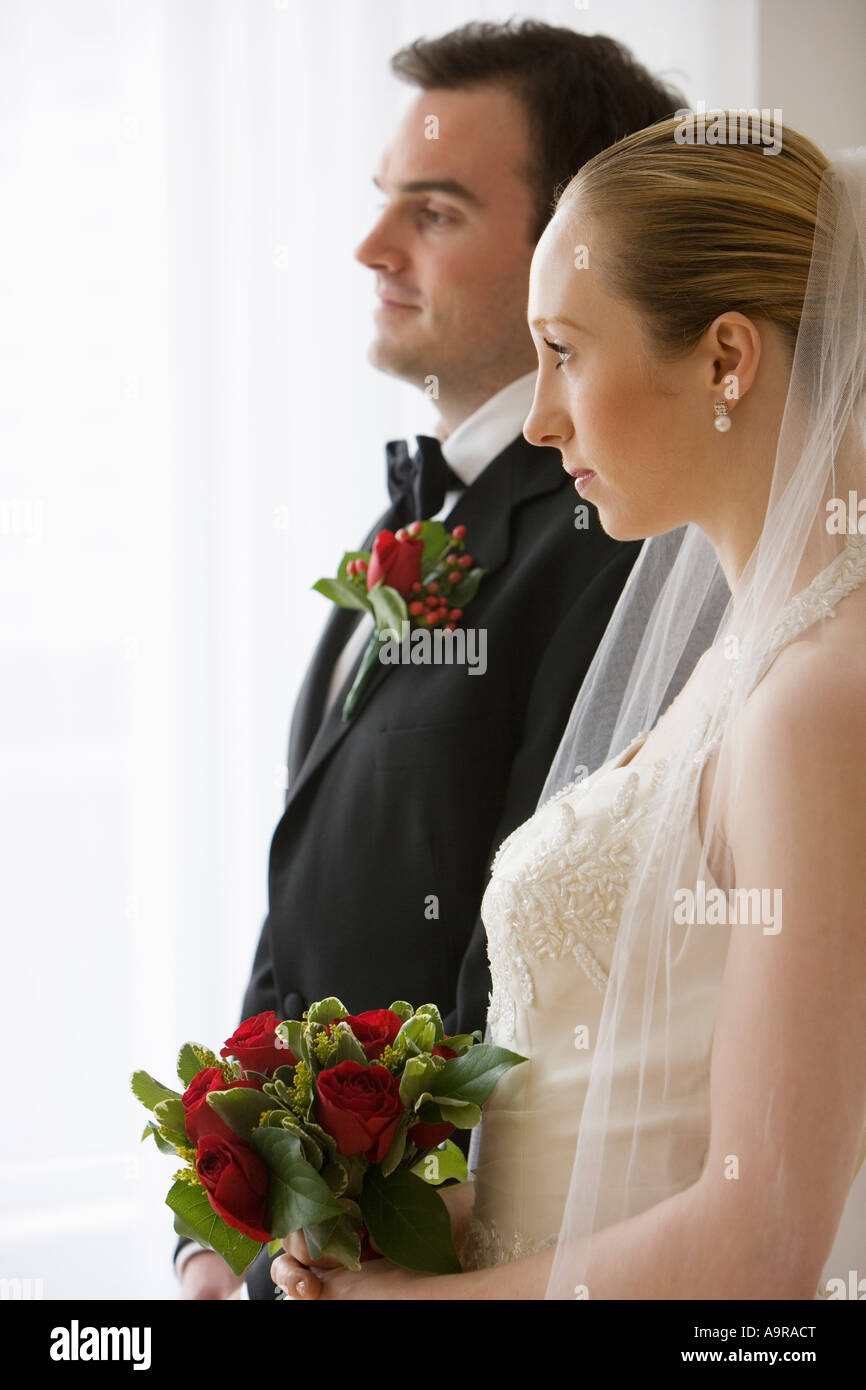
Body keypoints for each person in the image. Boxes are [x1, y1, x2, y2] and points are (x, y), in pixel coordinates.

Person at [271, 114, 866, 1300]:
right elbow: (627, 1113)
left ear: (723, 361)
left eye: (564, 352)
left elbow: (761, 1240)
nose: (540, 419)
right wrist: (432, 1213)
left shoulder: (812, 701)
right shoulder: (736, 653)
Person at [178, 21, 691, 1299]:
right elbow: (303, 893)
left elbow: (522, 960)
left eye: (436, 211)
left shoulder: (618, 544)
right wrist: (215, 1225)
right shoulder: (401, 529)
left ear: (572, 246)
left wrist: (344, 1256)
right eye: (381, 206)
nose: (372, 249)